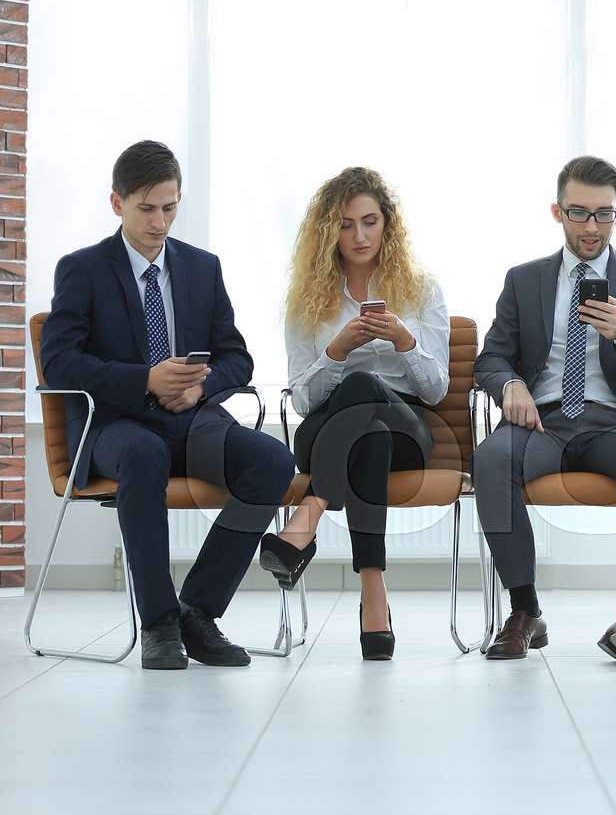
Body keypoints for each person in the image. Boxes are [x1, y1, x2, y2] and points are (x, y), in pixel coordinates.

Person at [39, 140, 296, 670]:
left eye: (170, 208)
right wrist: (145, 381)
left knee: (273, 462)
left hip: (194, 419)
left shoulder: (202, 268)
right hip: (118, 425)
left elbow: (237, 357)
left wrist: (201, 389)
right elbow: (60, 363)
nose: (160, 222)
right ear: (117, 203)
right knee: (142, 455)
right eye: (147, 208)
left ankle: (197, 613)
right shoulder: (82, 269)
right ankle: (158, 623)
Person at [473, 156, 616, 664]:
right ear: (557, 212)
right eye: (579, 213)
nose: (592, 226)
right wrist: (509, 384)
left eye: (604, 214)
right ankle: (524, 612)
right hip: (542, 420)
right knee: (489, 458)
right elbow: (491, 357)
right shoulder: (524, 280)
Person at [259, 167, 451, 661]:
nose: (359, 235)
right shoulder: (307, 299)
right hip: (326, 429)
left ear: (388, 225)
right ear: (329, 231)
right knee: (365, 422)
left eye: (369, 222)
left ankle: (313, 511)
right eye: (346, 225)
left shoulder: (422, 290)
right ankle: (374, 595)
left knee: (371, 396)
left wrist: (404, 340)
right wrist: (338, 351)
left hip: (407, 426)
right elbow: (302, 400)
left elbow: (434, 391)